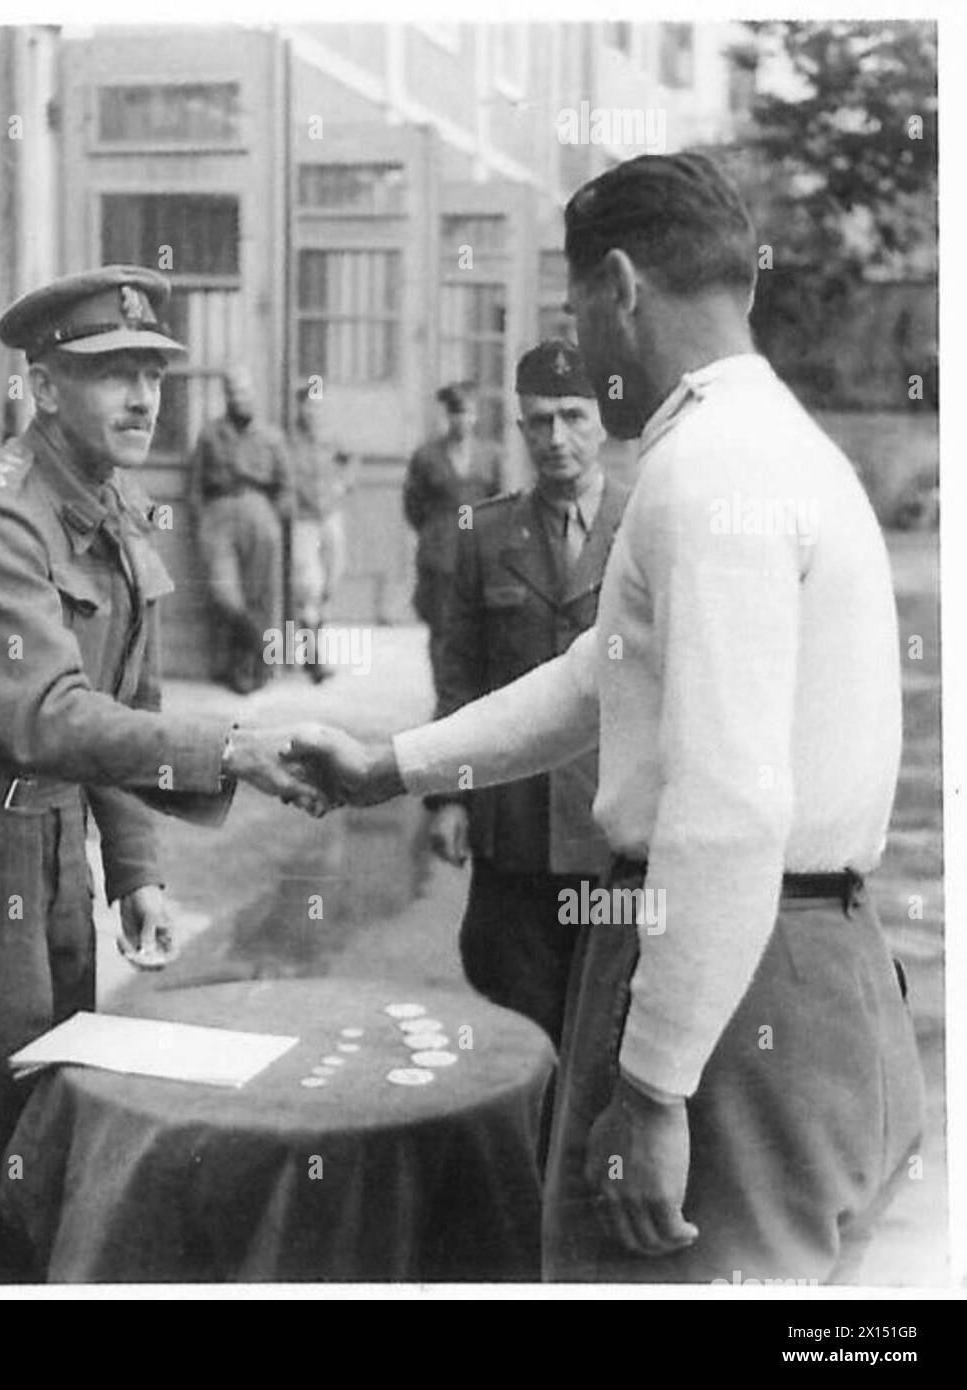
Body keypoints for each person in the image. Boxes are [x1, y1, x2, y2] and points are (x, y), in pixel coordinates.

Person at [288, 152, 924, 1285]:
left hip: (729, 974)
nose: (577, 340)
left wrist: (654, 1086)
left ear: (620, 285)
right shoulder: (771, 448)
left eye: (575, 305)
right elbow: (600, 674)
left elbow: (728, 801)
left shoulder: (707, 471)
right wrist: (389, 765)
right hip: (796, 960)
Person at [0, 265, 324, 1284]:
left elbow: (123, 699)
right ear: (41, 387)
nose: (140, 397)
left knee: (49, 1138)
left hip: (52, 853)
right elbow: (48, 716)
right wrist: (235, 749)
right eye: (110, 373)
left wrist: (136, 868)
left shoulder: (118, 504)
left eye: (152, 373)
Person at [428, 341, 627, 1046]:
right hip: (514, 822)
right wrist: (448, 797)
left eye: (574, 417)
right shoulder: (486, 536)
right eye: (539, 422)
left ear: (604, 420)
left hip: (613, 821)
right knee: (513, 1007)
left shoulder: (645, 530)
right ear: (519, 430)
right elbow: (459, 675)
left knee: (610, 1020)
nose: (556, 438)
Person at [186, 365, 294, 693]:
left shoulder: (272, 437)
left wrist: (273, 518)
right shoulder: (210, 434)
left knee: (259, 595)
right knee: (225, 594)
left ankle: (250, 670)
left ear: (254, 394)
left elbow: (286, 487)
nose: (239, 399)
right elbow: (194, 488)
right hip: (218, 515)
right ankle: (264, 647)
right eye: (233, 393)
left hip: (260, 512)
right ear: (226, 397)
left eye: (244, 392)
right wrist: (202, 520)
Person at [402, 382, 504, 683]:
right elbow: (413, 505)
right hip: (440, 554)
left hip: (478, 552)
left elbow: (498, 501)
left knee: (477, 627)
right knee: (442, 627)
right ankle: (443, 696)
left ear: (476, 417)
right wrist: (436, 532)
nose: (463, 420)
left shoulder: (489, 455)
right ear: (448, 416)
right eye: (457, 413)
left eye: (468, 413)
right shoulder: (427, 456)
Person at [288, 388, 356, 682]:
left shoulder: (331, 438)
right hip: (304, 519)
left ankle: (315, 643)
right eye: (307, 407)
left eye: (317, 407)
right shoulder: (289, 441)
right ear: (299, 409)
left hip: (330, 516)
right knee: (308, 585)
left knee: (332, 579)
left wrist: (343, 484)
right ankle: (314, 656)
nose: (312, 412)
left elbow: (351, 461)